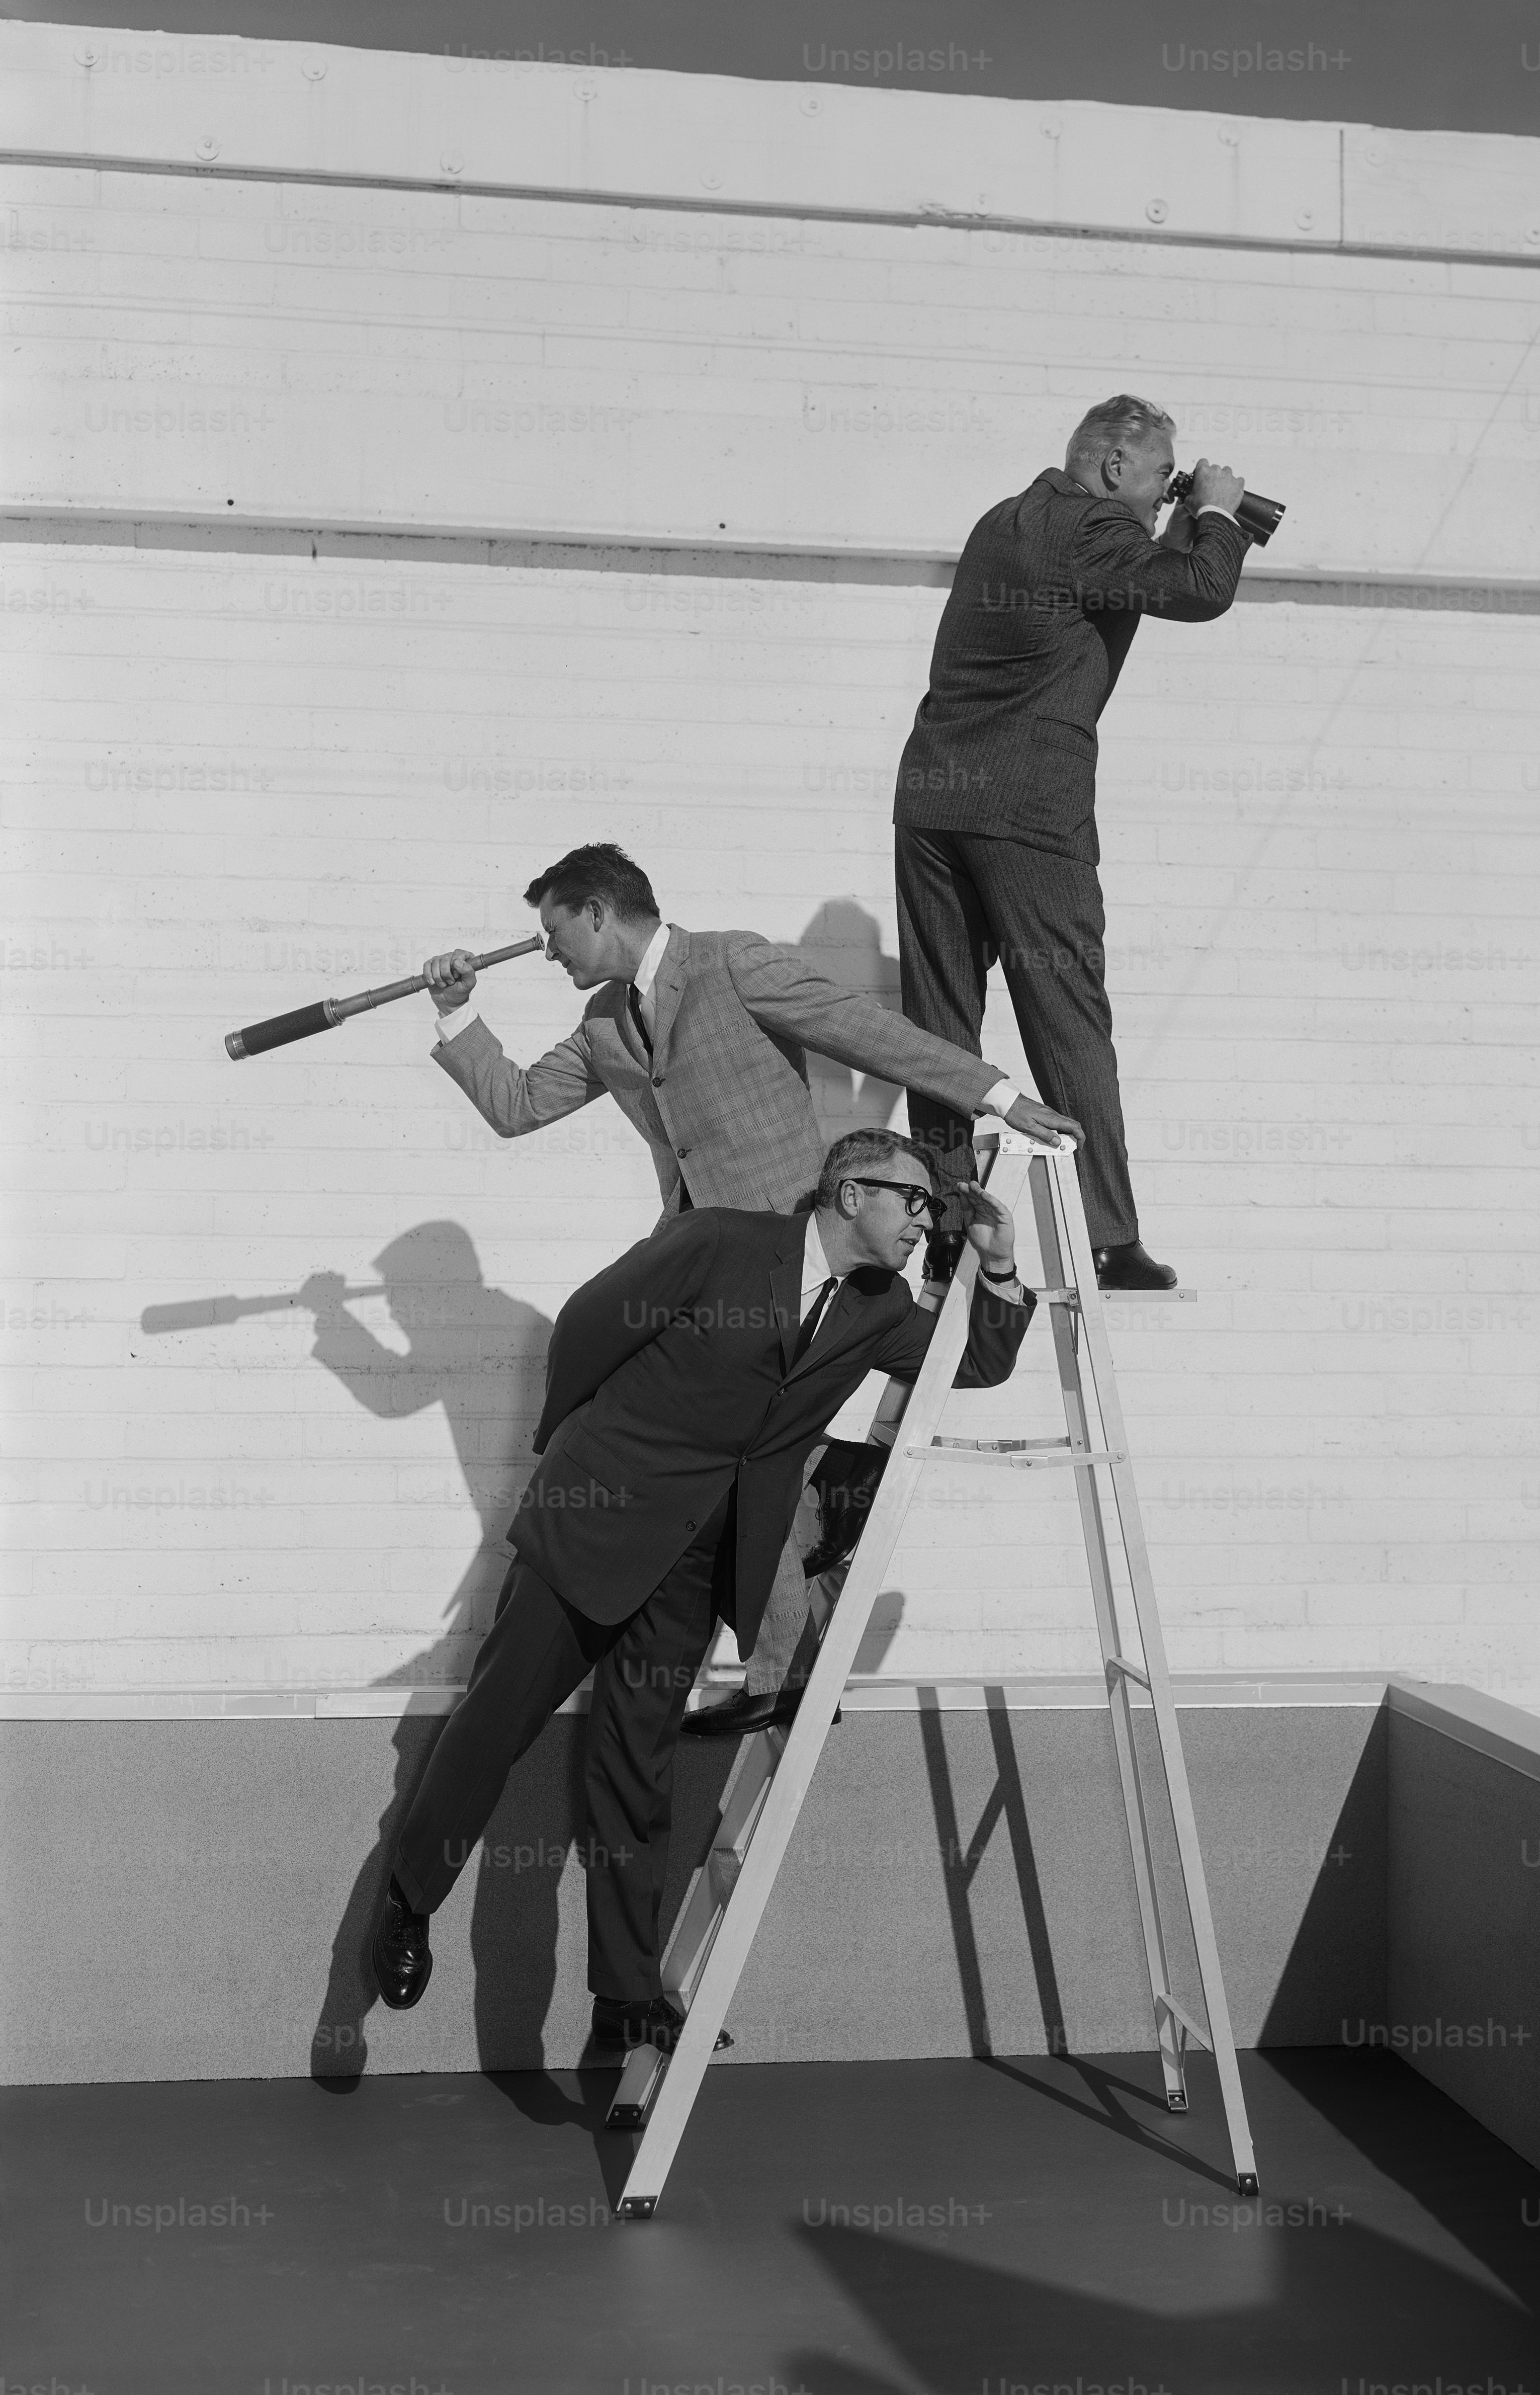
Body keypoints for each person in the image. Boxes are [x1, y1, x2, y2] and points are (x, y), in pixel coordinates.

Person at [369, 1129, 1035, 2051]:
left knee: (637, 1772)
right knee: (493, 1729)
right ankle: (408, 1896)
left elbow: (978, 1360)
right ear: (851, 1193)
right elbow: (588, 1326)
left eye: (929, 1209)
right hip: (591, 1526)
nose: (926, 1222)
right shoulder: (717, 1240)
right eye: (913, 1202)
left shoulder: (876, 1307)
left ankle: (624, 1994)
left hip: (696, 1559)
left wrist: (999, 1264)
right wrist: (575, 1459)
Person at [422, 840, 1080, 1739]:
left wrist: (997, 1097)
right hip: (697, 1277)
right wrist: (456, 1014)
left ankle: (788, 1646)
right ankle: (775, 1654)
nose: (550, 953)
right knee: (729, 1459)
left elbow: (865, 1031)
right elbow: (516, 1107)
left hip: (795, 1256)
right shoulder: (606, 1026)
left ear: (599, 912)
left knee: (765, 1462)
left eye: (554, 933)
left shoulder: (731, 962)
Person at [892, 394, 1255, 1290]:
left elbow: (1124, 577)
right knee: (1067, 1013)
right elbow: (1200, 593)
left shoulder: (1006, 520)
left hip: (934, 798)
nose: (1159, 498)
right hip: (1027, 811)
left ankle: (943, 1224)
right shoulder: (1095, 525)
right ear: (1113, 466)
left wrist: (1177, 520)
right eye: (1158, 480)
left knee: (940, 1022)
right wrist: (1214, 513)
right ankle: (1103, 1235)